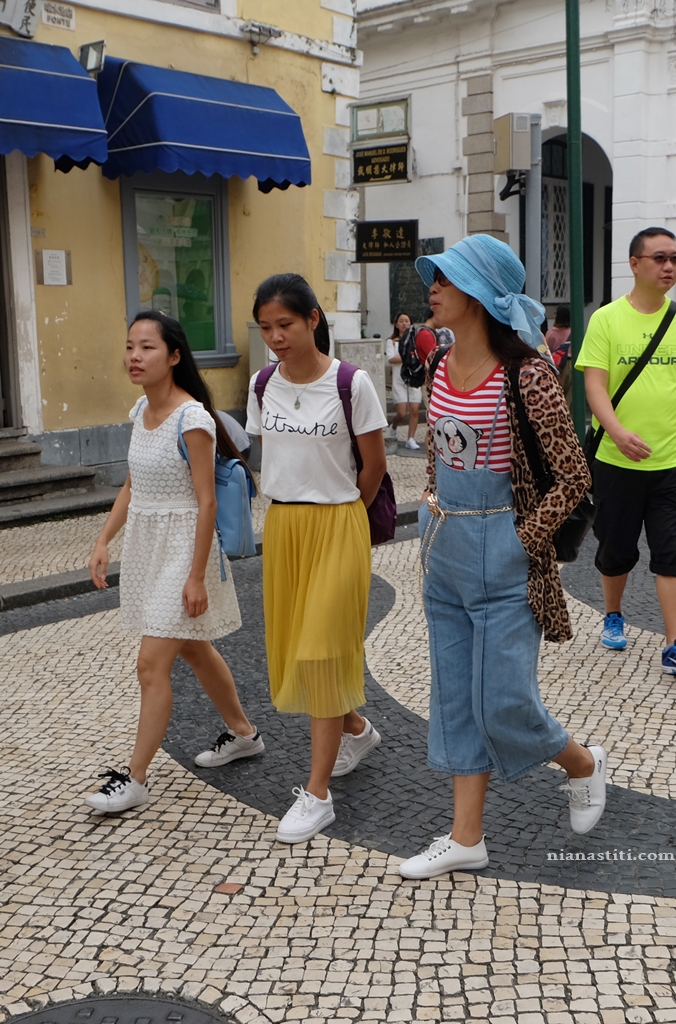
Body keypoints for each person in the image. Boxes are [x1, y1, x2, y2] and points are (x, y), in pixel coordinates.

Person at [398, 233, 607, 881]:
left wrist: (519, 538)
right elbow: (439, 448)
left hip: (505, 550)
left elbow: (573, 476)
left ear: (481, 296)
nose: (431, 288)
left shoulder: (527, 374)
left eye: (445, 279)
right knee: (456, 699)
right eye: (433, 277)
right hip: (446, 549)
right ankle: (466, 837)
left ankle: (583, 765)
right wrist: (432, 500)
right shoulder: (437, 365)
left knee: (504, 702)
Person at [85, 311, 262, 814]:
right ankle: (244, 733)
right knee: (194, 650)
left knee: (150, 663)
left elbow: (206, 503)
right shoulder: (140, 409)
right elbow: (131, 483)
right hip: (147, 546)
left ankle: (135, 779)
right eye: (129, 347)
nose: (134, 357)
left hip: (185, 549)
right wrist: (103, 540)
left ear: (175, 356)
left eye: (147, 347)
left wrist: (194, 575)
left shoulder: (193, 419)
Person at [246, 274, 388, 844]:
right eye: (265, 329)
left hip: (337, 523)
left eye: (284, 324)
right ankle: (355, 728)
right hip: (284, 526)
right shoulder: (262, 385)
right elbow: (269, 454)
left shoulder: (352, 383)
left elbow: (373, 467)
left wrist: (343, 513)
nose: (275, 337)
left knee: (324, 650)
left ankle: (317, 794)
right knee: (298, 651)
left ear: (312, 319)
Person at [576, 226, 676, 677]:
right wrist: (616, 431)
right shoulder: (606, 320)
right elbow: (594, 385)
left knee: (674, 550)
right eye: (659, 258)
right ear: (634, 264)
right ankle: (614, 612)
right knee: (615, 547)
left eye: (675, 258)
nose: (670, 266)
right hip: (616, 461)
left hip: (674, 463)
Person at [386, 311, 422, 449]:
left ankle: (411, 438)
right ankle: (394, 426)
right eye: (401, 321)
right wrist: (409, 356)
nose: (404, 324)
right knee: (401, 412)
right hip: (399, 379)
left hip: (414, 378)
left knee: (414, 409)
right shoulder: (391, 342)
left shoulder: (416, 341)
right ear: (396, 324)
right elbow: (391, 359)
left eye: (406, 321)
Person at [544, 303, 573, 406]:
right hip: (570, 365)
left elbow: (546, 351)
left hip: (555, 367)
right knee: (569, 398)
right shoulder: (573, 332)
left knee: (556, 396)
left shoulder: (550, 333)